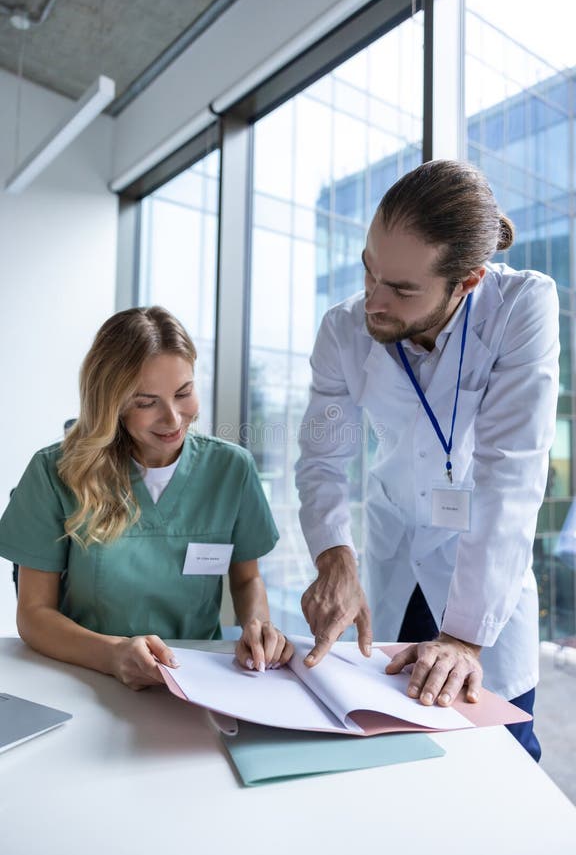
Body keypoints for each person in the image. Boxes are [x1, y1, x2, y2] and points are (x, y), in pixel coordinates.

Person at [295, 159, 559, 760]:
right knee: (386, 757)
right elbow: (321, 459)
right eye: (369, 272)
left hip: (479, 576)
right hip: (391, 560)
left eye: (402, 290)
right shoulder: (341, 330)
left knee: (498, 762)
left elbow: (510, 475)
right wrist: (333, 555)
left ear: (466, 281)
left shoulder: (520, 307)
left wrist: (464, 638)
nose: (373, 303)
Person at [0, 306, 292, 689]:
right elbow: (34, 615)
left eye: (183, 393)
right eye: (145, 402)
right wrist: (112, 654)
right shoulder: (54, 472)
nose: (173, 419)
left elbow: (247, 579)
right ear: (112, 402)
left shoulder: (231, 469)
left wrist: (257, 626)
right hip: (84, 677)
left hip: (198, 683)